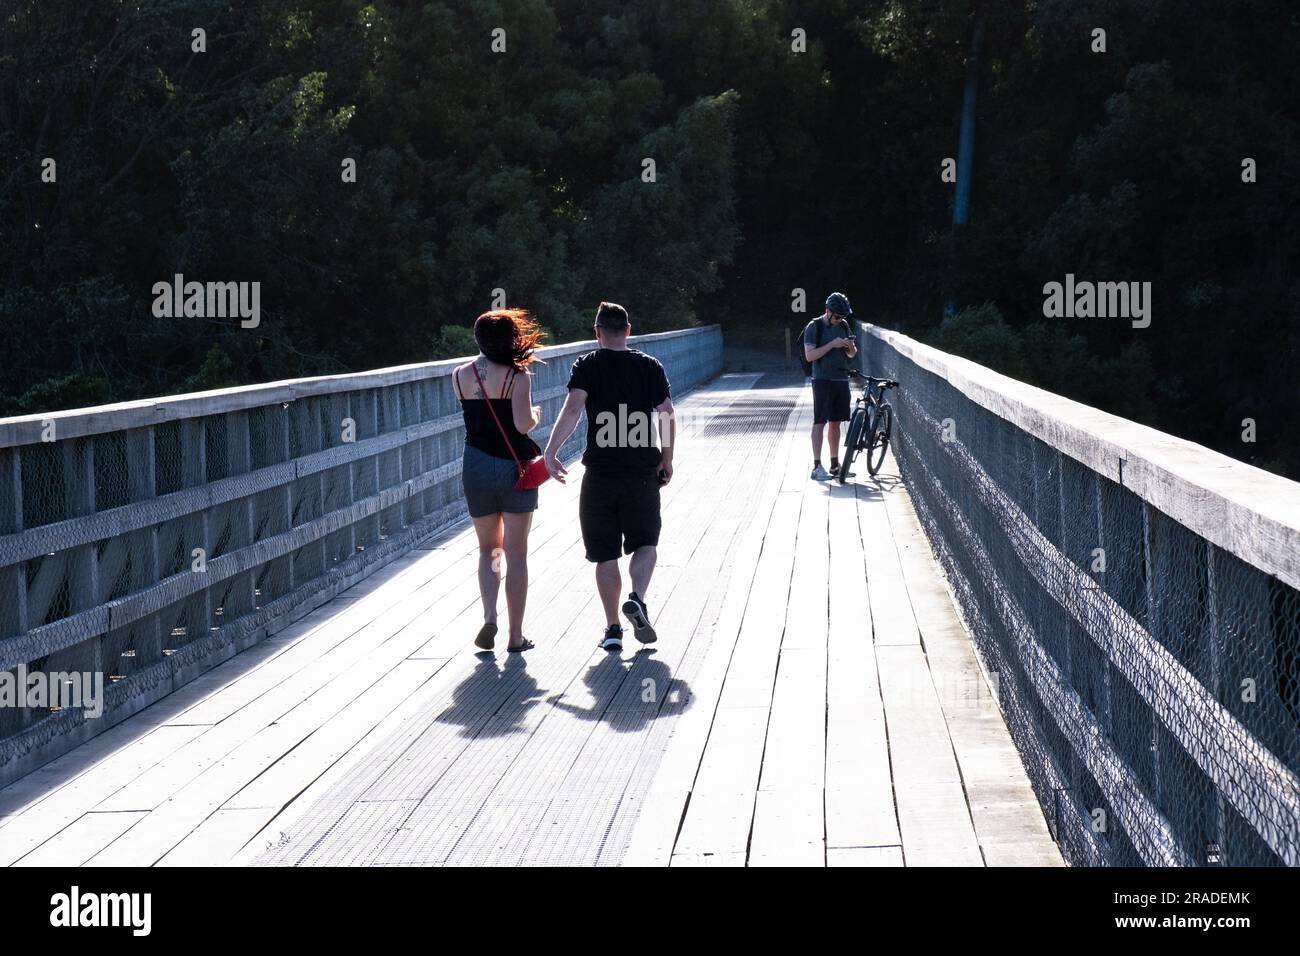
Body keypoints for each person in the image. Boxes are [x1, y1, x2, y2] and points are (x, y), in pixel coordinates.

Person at [542, 302, 675, 652]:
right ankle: (638, 598)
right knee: (646, 543)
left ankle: (613, 628)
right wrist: (667, 457)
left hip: (600, 475)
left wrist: (551, 451)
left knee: (604, 553)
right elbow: (666, 413)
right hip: (642, 473)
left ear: (597, 331)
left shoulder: (587, 366)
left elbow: (572, 409)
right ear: (628, 329)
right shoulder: (649, 366)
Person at [453, 309, 546, 652]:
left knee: (488, 549)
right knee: (516, 554)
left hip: (475, 466)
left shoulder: (460, 375)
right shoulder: (518, 377)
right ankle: (515, 636)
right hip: (513, 469)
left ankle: (489, 618)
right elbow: (522, 426)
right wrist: (536, 414)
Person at [803, 292, 857, 480]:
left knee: (836, 423)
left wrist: (849, 346)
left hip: (841, 379)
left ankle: (835, 465)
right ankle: (817, 467)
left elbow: (851, 355)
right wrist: (832, 344)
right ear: (827, 311)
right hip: (822, 380)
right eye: (836, 316)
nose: (839, 319)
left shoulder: (843, 325)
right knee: (820, 421)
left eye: (842, 316)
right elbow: (810, 356)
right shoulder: (814, 326)